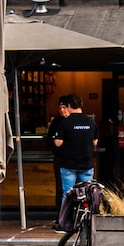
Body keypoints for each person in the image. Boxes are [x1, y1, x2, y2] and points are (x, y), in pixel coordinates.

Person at [46, 93, 98, 228]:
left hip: (69, 164)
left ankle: (66, 223)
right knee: (87, 194)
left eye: (66, 107)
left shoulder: (65, 122)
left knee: (68, 194)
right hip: (86, 164)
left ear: (69, 106)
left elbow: (57, 143)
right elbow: (95, 141)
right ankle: (86, 222)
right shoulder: (90, 121)